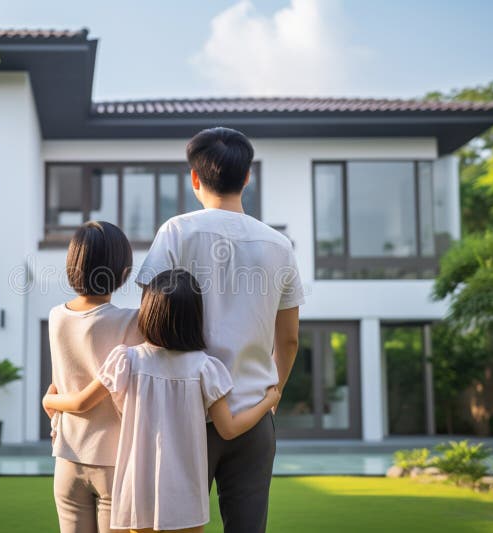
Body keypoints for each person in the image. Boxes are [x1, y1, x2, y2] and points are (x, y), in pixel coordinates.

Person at [134, 127, 305, 533]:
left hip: (182, 414)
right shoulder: (279, 246)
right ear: (247, 177)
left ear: (195, 178)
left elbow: (149, 322)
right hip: (253, 414)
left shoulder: (176, 231)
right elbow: (290, 338)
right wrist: (274, 392)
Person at [43, 269, 281, 533]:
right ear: (195, 317)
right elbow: (229, 428)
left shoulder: (127, 360)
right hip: (185, 495)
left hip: (136, 490)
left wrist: (51, 400)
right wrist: (267, 401)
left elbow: (80, 403)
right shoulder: (205, 369)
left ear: (147, 312)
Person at [47, 221, 143, 533]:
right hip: (115, 462)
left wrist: (50, 400)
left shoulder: (55, 317)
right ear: (123, 270)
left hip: (67, 458)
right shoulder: (133, 322)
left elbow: (55, 389)